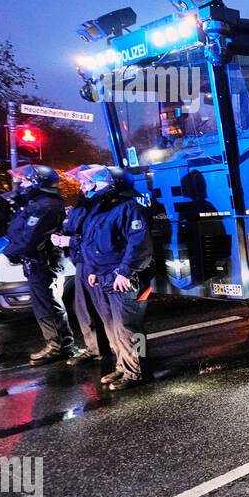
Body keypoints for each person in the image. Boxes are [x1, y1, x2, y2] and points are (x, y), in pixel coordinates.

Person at [76, 166, 153, 391]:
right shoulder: (99, 209)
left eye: (91, 183)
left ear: (112, 185)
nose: (85, 187)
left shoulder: (129, 208)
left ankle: (137, 371)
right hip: (103, 277)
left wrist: (125, 271)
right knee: (112, 327)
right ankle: (123, 365)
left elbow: (139, 243)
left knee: (129, 328)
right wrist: (92, 270)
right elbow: (90, 245)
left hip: (123, 278)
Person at [2, 165, 77, 362]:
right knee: (44, 305)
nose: (22, 184)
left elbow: (30, 237)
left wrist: (11, 252)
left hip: (42, 261)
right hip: (36, 261)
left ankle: (59, 346)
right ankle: (57, 344)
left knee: (48, 306)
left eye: (26, 181)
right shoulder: (38, 203)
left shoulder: (46, 206)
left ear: (38, 182)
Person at [53, 166, 111, 370]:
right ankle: (95, 349)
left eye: (85, 182)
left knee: (106, 311)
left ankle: (120, 354)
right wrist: (62, 237)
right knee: (83, 308)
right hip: (82, 262)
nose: (82, 186)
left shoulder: (99, 205)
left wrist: (69, 241)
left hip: (94, 262)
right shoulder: (83, 204)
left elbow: (95, 237)